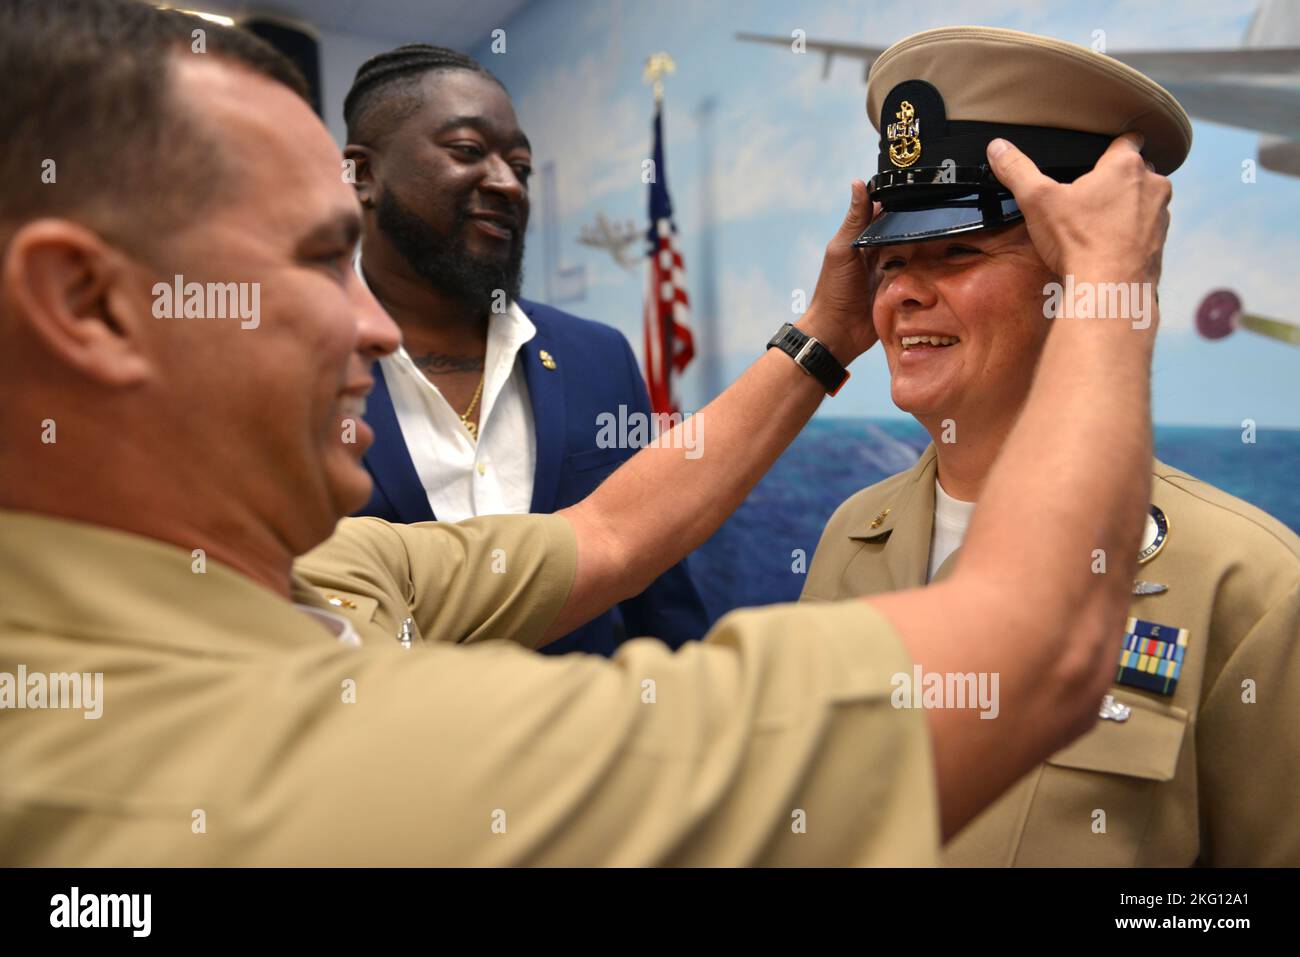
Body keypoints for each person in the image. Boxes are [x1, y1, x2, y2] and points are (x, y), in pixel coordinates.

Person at [0, 2, 1172, 865]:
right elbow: (1044, 645)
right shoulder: (216, 772)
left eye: (957, 256)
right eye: (318, 259)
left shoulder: (320, 574)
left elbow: (612, 539)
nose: (370, 321)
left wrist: (822, 335)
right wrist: (1112, 287)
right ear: (89, 306)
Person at [802, 26, 1300, 866]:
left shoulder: (1247, 582)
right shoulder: (850, 535)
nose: (906, 294)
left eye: (958, 250)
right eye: (888, 262)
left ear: (1077, 270)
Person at [340, 44, 707, 656]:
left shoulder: (599, 357)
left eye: (522, 166)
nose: (509, 184)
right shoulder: (294, 363)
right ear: (365, 175)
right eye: (466, 151)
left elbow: (660, 590)